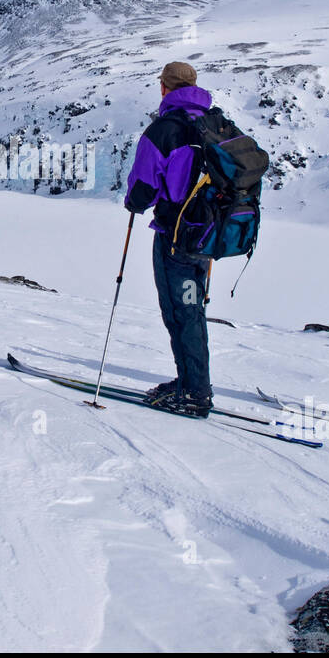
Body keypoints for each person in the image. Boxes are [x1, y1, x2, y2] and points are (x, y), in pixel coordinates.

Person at [124, 62, 214, 416]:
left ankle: (194, 392)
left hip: (176, 240)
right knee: (193, 310)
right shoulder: (212, 124)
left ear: (164, 89)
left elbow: (142, 189)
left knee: (181, 313)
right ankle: (193, 382)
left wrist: (133, 202)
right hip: (206, 241)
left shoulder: (164, 130)